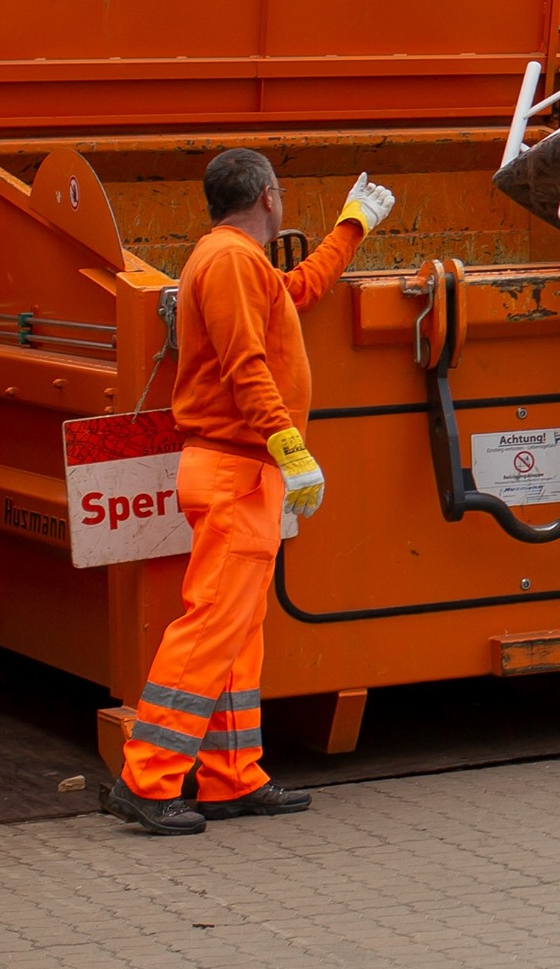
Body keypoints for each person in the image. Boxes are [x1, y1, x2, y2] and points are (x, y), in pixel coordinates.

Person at [104, 148, 394, 835]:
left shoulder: (236, 261)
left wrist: (351, 226)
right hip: (236, 470)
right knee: (212, 628)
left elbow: (296, 291)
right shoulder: (231, 262)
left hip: (240, 471)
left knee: (236, 633)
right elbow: (245, 365)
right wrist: (290, 446)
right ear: (269, 196)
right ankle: (146, 779)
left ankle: (232, 776)